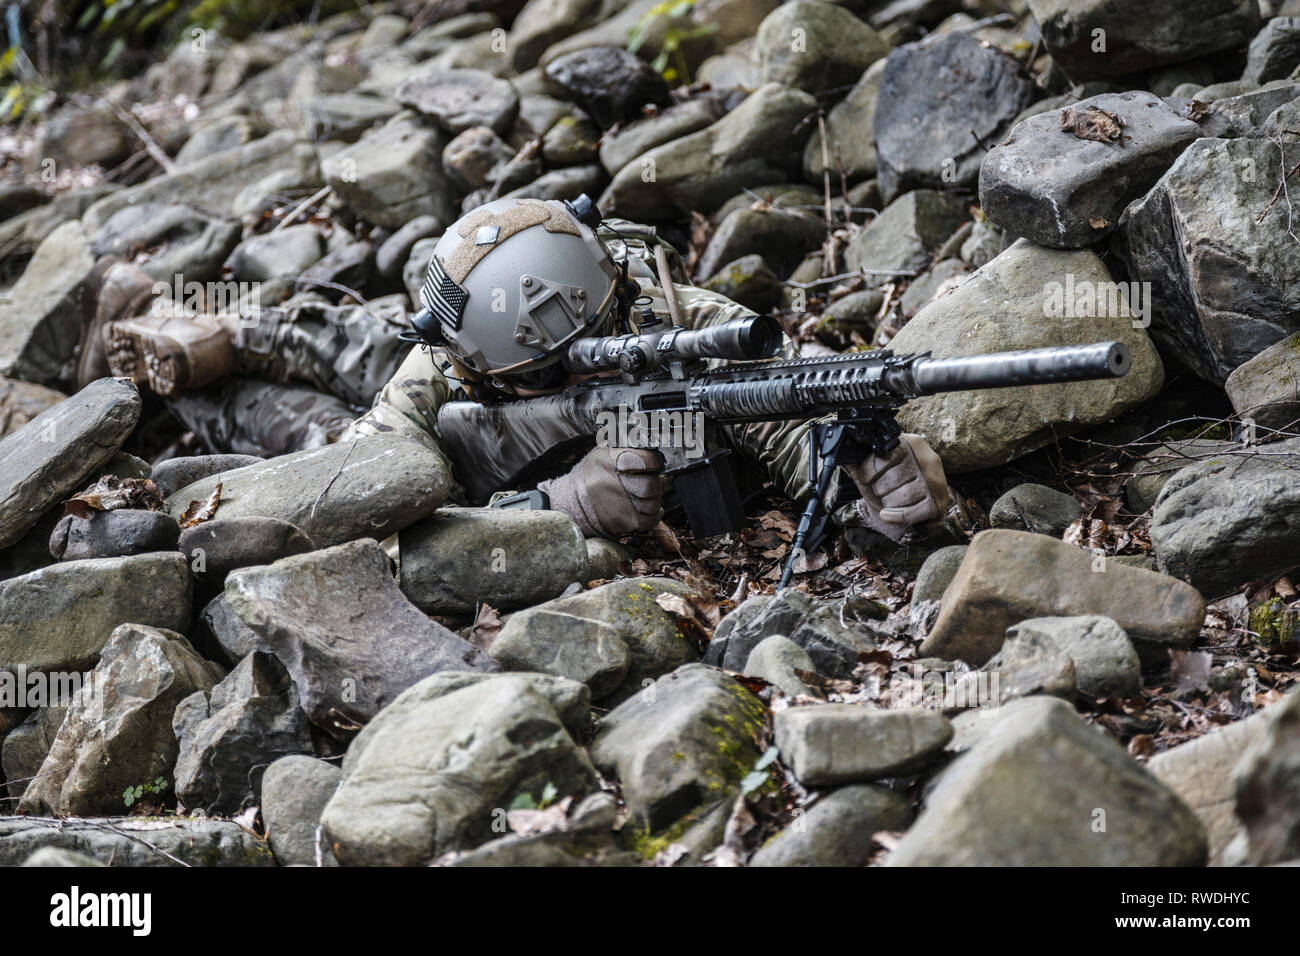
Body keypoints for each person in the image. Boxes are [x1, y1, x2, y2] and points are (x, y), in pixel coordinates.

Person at [341, 194, 955, 546]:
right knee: (335, 362)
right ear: (479, 372)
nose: (587, 377)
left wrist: (869, 485)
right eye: (548, 376)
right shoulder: (433, 378)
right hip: (378, 377)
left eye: (600, 340)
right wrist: (551, 508)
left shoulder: (687, 325)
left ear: (618, 295)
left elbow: (788, 421)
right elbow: (360, 532)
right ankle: (264, 333)